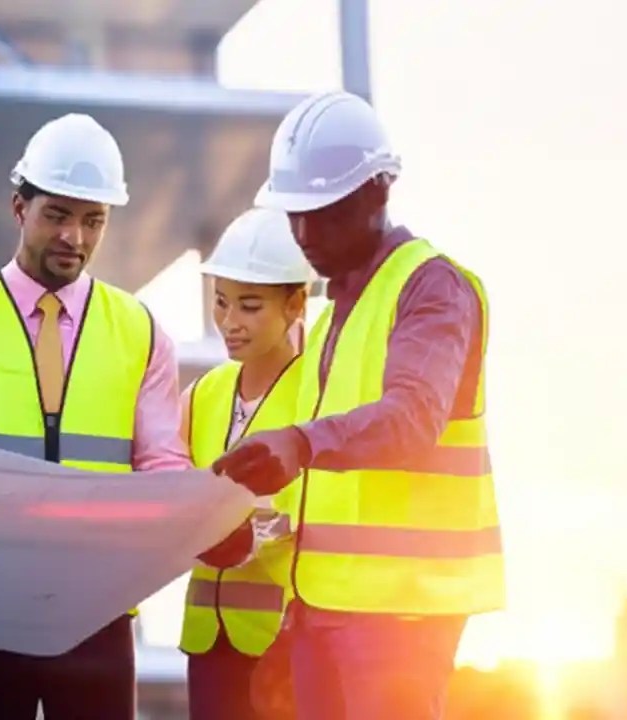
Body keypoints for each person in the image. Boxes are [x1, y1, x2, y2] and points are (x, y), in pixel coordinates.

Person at [213, 90, 505, 719]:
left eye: (327, 213)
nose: (305, 234)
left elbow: (410, 421)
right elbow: (323, 485)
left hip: (402, 615)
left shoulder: (432, 289)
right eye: (295, 214)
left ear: (378, 191)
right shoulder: (336, 316)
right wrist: (247, 529)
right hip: (325, 608)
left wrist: (299, 442)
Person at [0, 113, 189, 720]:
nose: (76, 238)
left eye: (94, 220)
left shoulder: (140, 330)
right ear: (19, 208)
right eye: (58, 215)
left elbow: (163, 465)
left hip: (98, 611)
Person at [179, 207, 313, 720]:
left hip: (280, 645)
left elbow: (316, 513)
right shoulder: (204, 393)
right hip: (207, 642)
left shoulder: (317, 397)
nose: (229, 322)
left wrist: (245, 534)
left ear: (296, 303)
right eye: (220, 302)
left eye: (250, 306)